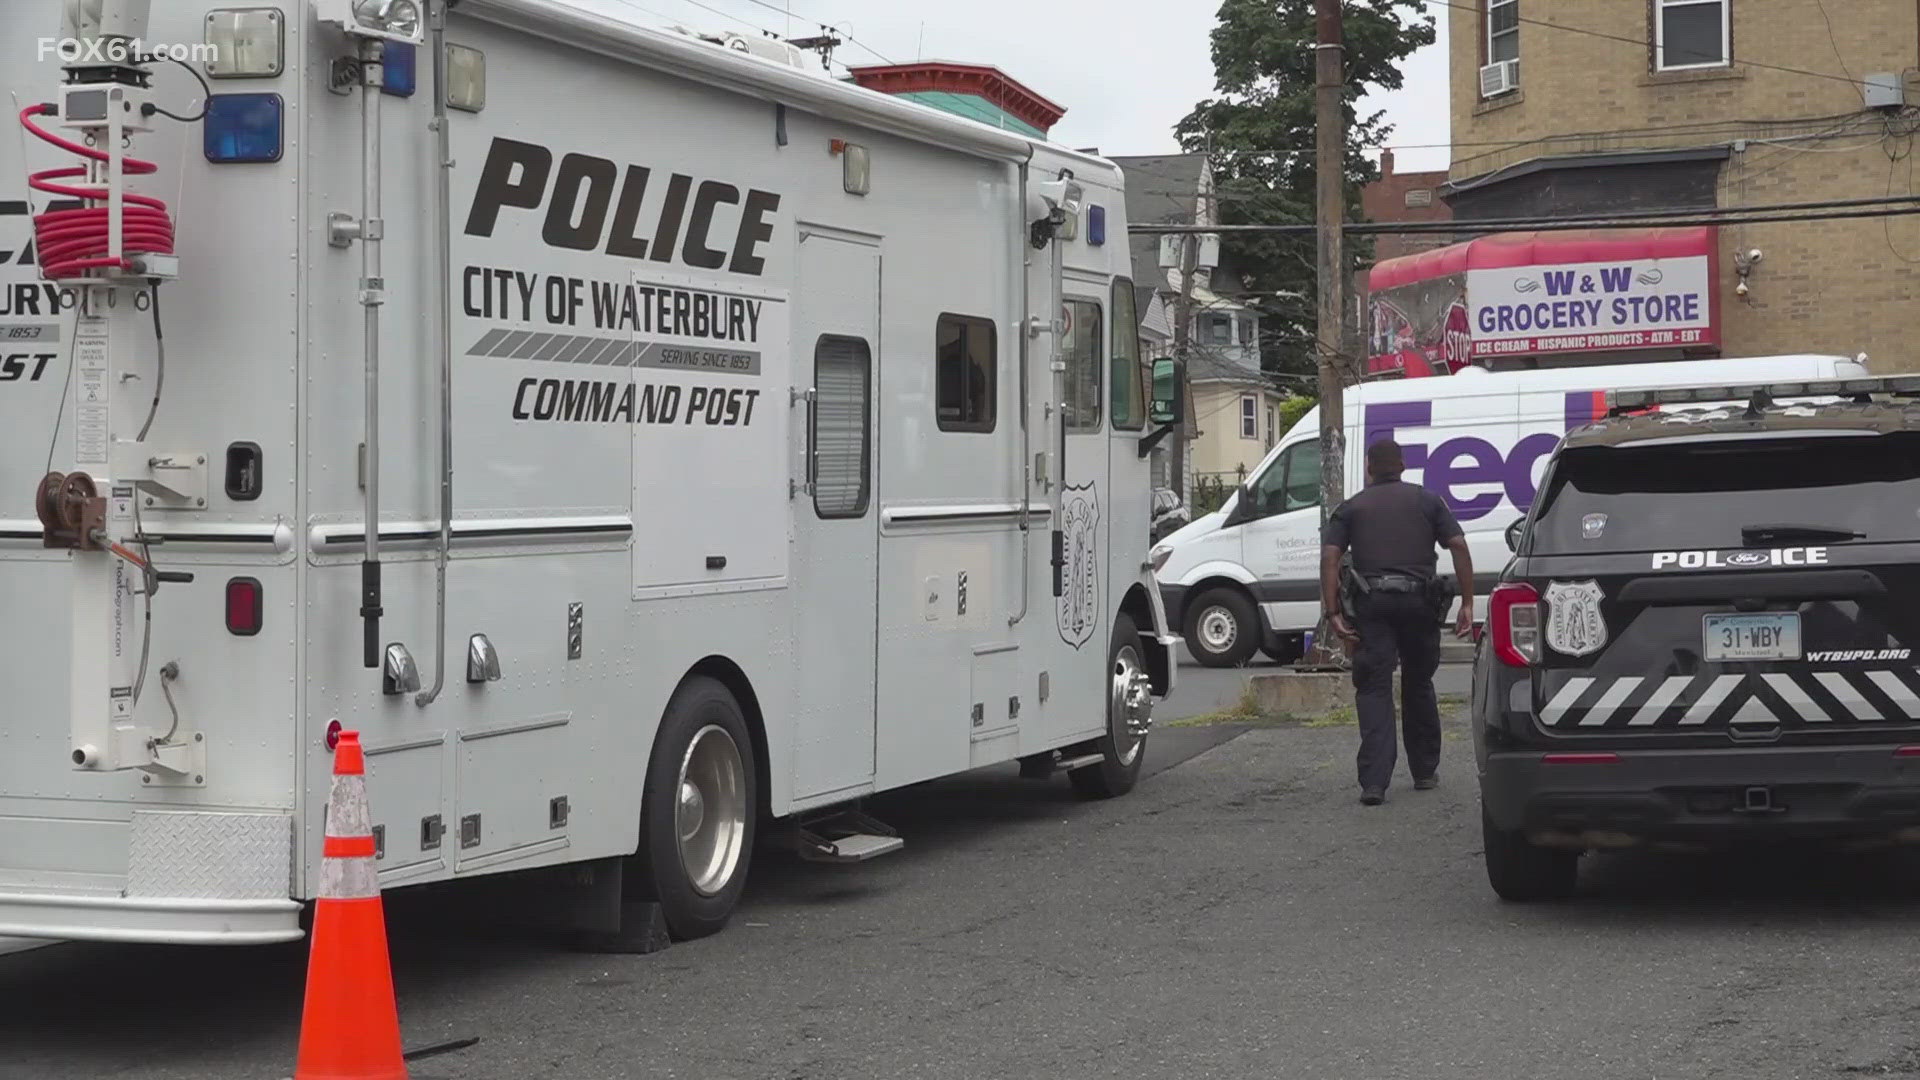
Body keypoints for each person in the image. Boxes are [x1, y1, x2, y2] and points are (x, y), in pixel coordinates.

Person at [1319, 439, 1474, 806]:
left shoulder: (1352, 508)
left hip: (1371, 605)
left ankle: (1374, 783)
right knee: (1418, 682)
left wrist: (1334, 614)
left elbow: (1330, 558)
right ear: (1402, 466)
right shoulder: (1427, 501)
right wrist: (1468, 602)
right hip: (1420, 603)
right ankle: (1423, 771)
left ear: (1369, 468)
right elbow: (1459, 546)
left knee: (1373, 687)